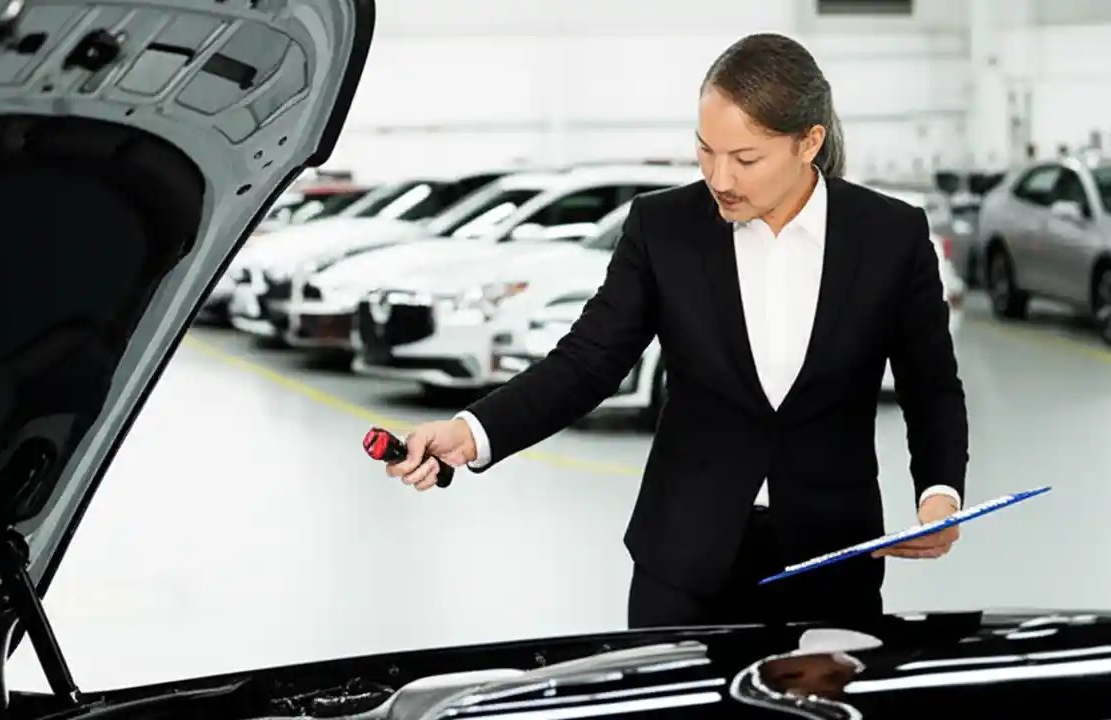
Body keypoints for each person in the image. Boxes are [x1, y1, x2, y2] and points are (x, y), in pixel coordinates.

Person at [381, 32, 968, 628]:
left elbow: (931, 384)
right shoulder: (662, 228)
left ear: (808, 143)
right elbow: (587, 362)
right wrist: (471, 432)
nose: (719, 177)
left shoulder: (890, 236)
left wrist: (939, 494)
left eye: (745, 159)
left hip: (831, 565)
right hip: (683, 560)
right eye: (705, 150)